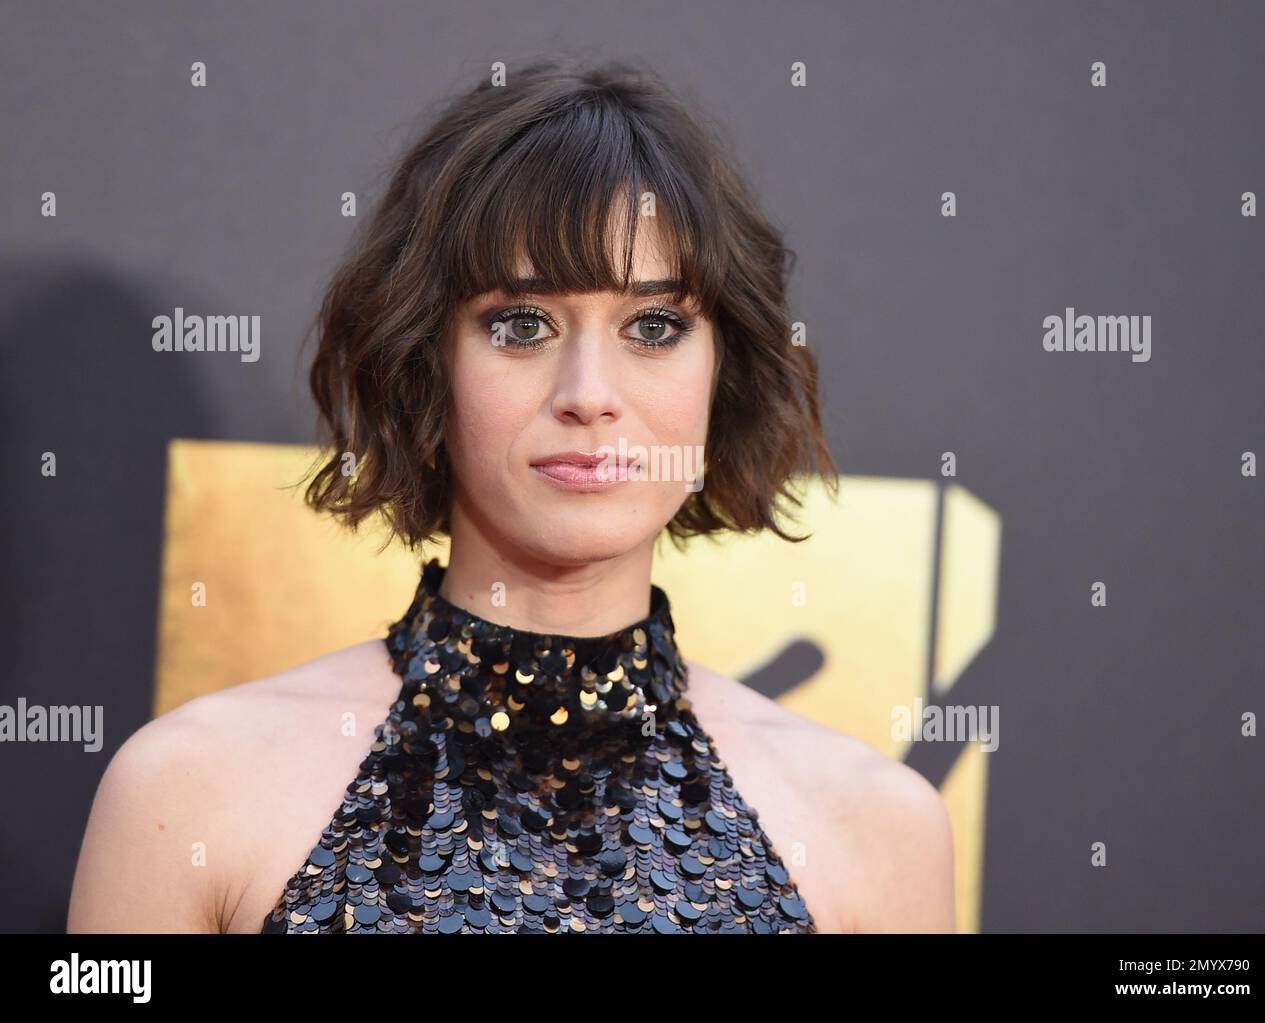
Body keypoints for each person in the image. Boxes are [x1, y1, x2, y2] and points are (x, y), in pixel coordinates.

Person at [67, 59, 954, 934]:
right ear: (427, 364)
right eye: (522, 325)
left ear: (722, 373)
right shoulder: (187, 794)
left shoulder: (877, 830)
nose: (590, 392)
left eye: (654, 326)